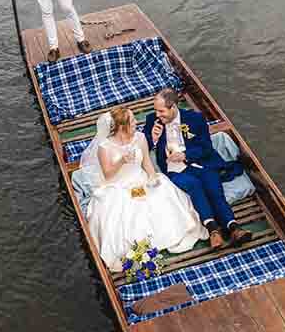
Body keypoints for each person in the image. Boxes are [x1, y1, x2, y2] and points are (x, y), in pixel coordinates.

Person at [82, 107, 207, 272]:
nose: (136, 122)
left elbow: (147, 163)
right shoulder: (105, 147)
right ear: (121, 126)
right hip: (118, 186)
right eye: (132, 121)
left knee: (163, 192)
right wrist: (121, 161)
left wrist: (152, 177)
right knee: (124, 210)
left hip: (140, 179)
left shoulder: (140, 138)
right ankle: (138, 247)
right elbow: (108, 175)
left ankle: (170, 235)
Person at [144, 89, 253, 249]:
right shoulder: (152, 120)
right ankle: (213, 230)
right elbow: (142, 145)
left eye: (161, 111)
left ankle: (234, 228)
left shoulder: (195, 119)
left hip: (202, 163)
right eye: (156, 110)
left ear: (173, 107)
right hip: (174, 169)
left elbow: (206, 148)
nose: (158, 114)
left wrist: (185, 155)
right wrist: (153, 138)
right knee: (194, 186)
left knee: (213, 188)